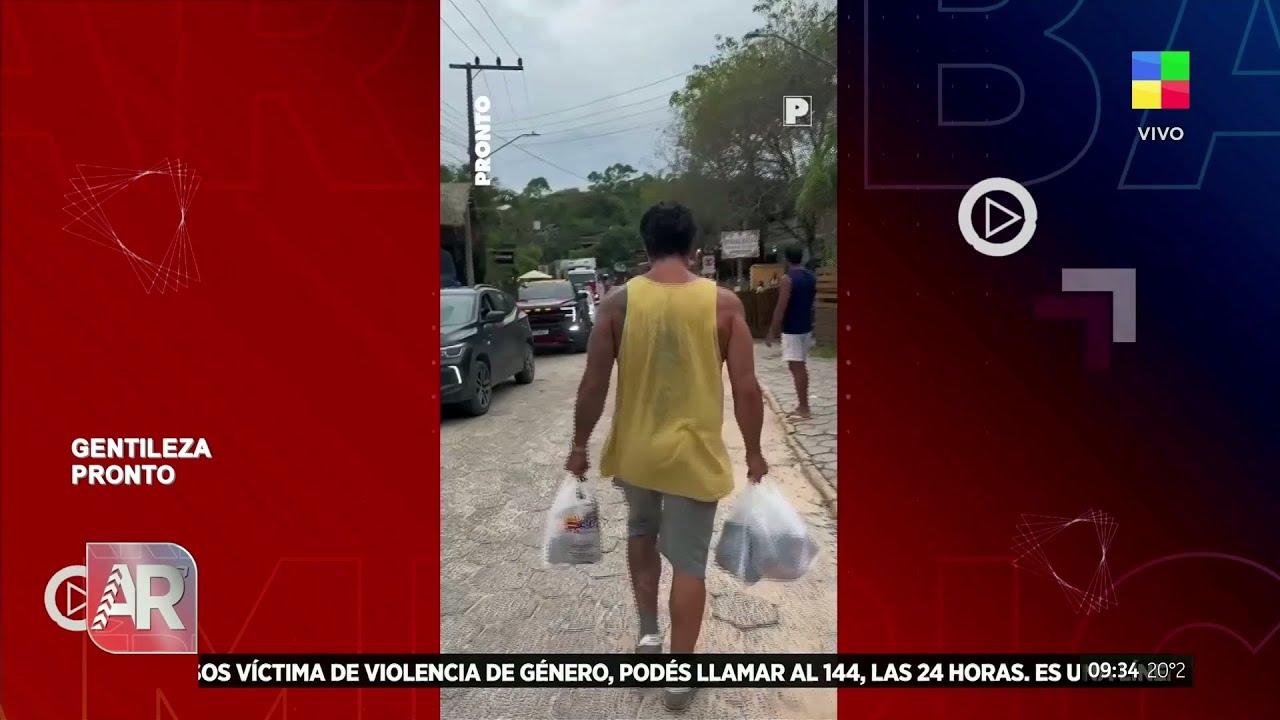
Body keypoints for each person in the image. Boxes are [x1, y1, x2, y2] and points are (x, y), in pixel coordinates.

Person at [565, 201, 767, 713]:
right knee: (690, 563)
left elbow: (593, 384)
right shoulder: (723, 305)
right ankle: (680, 678)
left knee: (640, 536)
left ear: (646, 246)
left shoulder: (616, 303)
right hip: (694, 458)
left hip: (636, 454)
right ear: (693, 247)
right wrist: (755, 452)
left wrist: (579, 445)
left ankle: (648, 638)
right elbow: (746, 387)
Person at [764, 244, 816, 419]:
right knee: (800, 365)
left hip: (792, 329)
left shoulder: (787, 279)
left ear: (786, 260)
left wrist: (772, 330)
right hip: (806, 327)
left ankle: (804, 408)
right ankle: (803, 404)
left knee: (797, 367)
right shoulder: (810, 277)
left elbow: (781, 307)